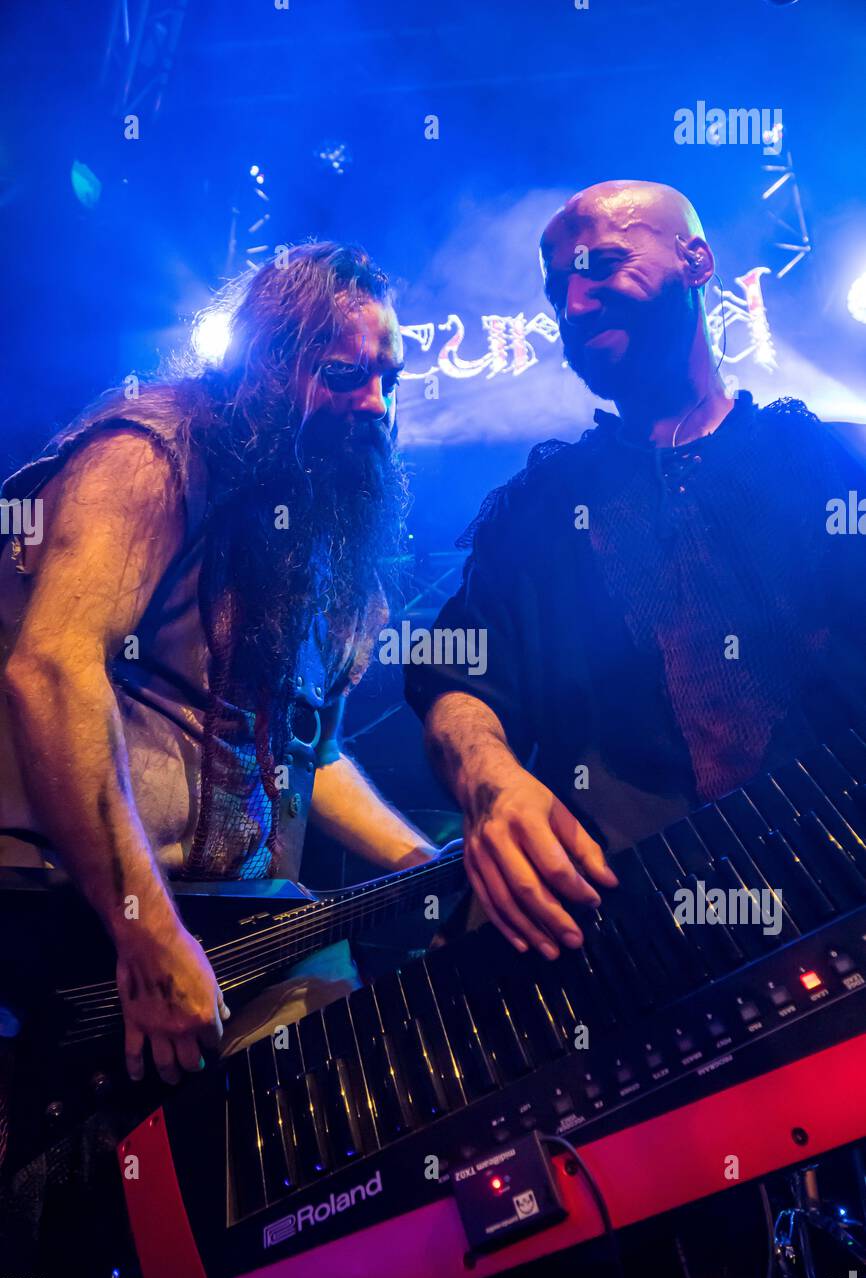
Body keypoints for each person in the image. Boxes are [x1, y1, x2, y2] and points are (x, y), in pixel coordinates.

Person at [0, 242, 436, 1104]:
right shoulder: (148, 460)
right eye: (346, 376)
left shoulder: (335, 547)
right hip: (65, 919)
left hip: (240, 926)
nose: (377, 404)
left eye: (390, 378)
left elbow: (308, 756)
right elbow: (49, 670)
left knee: (330, 1134)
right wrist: (147, 931)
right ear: (269, 367)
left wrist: (425, 865)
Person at [407, 180, 866, 960]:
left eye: (603, 267)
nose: (575, 305)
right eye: (558, 289)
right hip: (622, 941)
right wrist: (491, 777)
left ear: (697, 260)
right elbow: (456, 674)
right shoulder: (540, 510)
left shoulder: (837, 461)